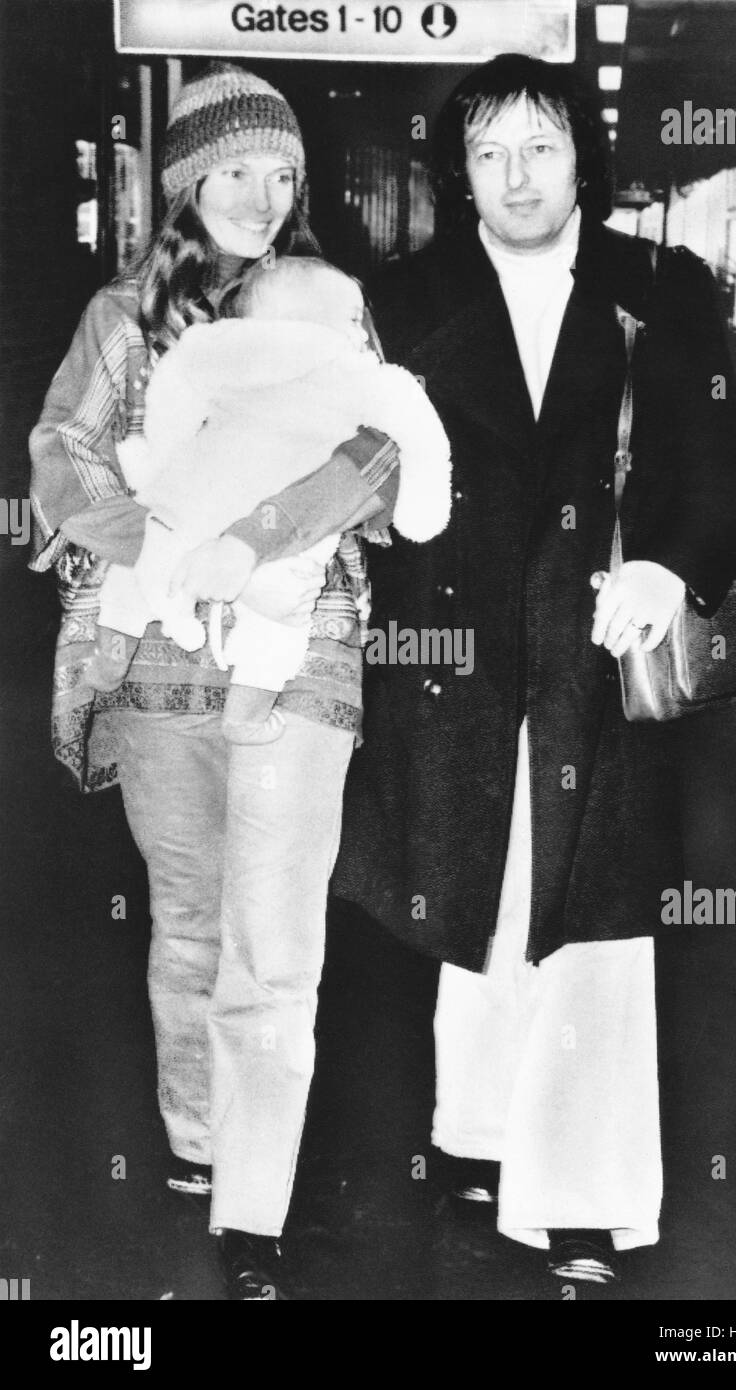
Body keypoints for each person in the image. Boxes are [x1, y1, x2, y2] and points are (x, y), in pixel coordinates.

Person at [333, 53, 736, 1284]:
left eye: (541, 146)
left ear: (585, 156)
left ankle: (584, 1193)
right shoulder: (403, 302)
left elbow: (721, 471)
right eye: (489, 152)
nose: (517, 175)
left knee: (595, 915)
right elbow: (360, 471)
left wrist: (670, 571)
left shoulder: (657, 292)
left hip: (594, 651)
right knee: (483, 889)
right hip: (452, 660)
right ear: (458, 173)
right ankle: (473, 1131)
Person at [29, 63, 403, 1300]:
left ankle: (255, 1201)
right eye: (237, 167)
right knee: (189, 920)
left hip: (304, 650)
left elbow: (384, 446)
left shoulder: (327, 303)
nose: (262, 191)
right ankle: (198, 1134)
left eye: (282, 170)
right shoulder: (118, 320)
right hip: (159, 663)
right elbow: (63, 460)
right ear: (185, 179)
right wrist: (169, 545)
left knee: (276, 942)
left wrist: (262, 535)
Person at [88, 256, 450, 743]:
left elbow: (175, 390)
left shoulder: (224, 350)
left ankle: (110, 654)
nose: (362, 332)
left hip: (198, 500)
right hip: (288, 530)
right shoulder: (356, 371)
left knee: (134, 576)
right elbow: (416, 432)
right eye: (351, 319)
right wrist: (423, 510)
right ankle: (247, 715)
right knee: (279, 628)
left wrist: (157, 459)